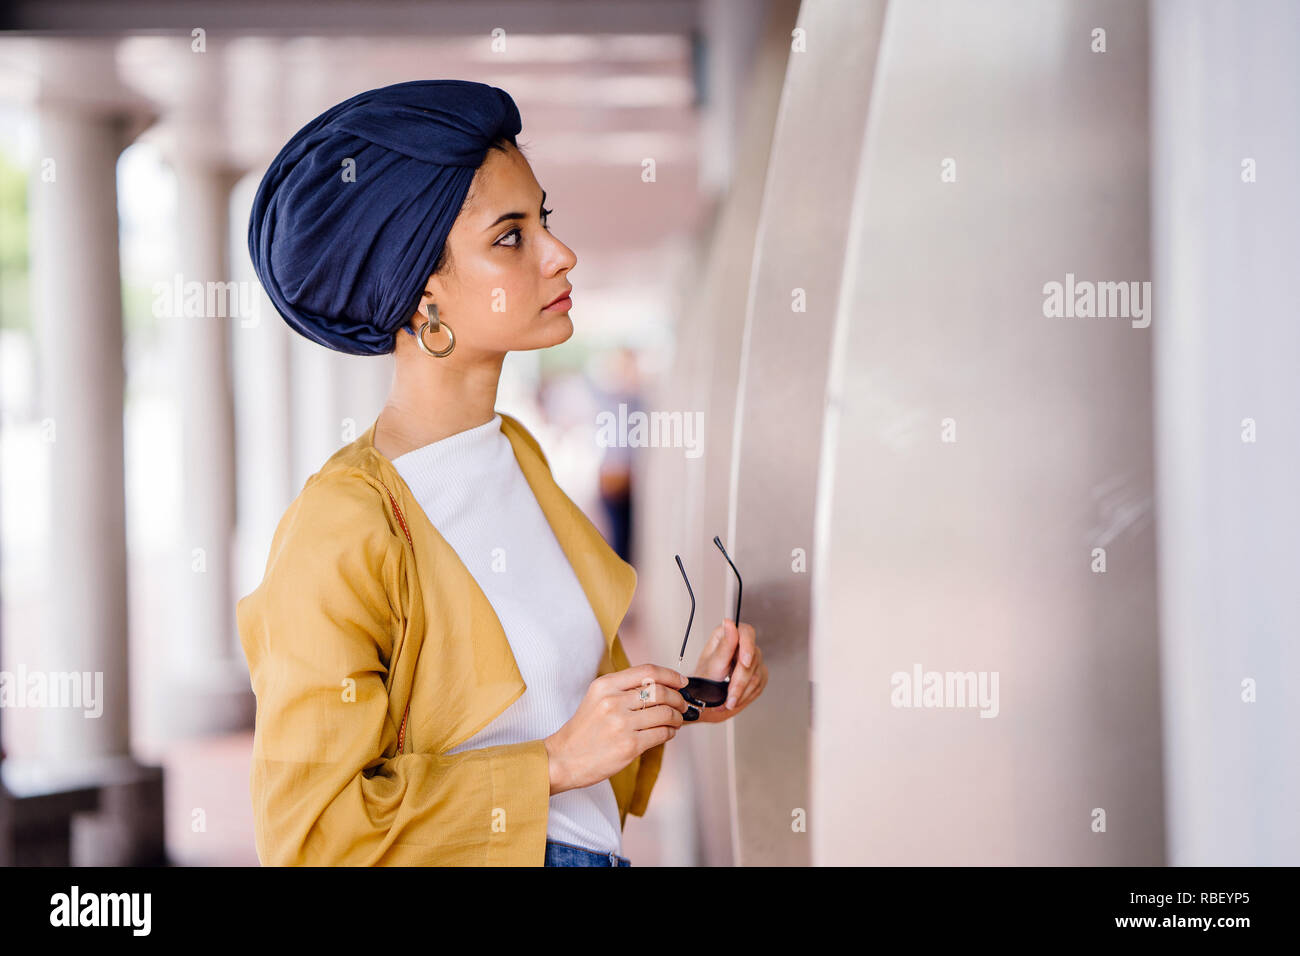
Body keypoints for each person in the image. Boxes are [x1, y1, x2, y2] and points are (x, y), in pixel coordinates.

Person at [238, 79, 768, 867]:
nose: (562, 253)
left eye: (542, 219)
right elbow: (311, 834)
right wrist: (553, 765)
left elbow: (551, 719)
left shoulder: (515, 455)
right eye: (510, 236)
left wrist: (686, 701)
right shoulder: (344, 525)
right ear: (423, 293)